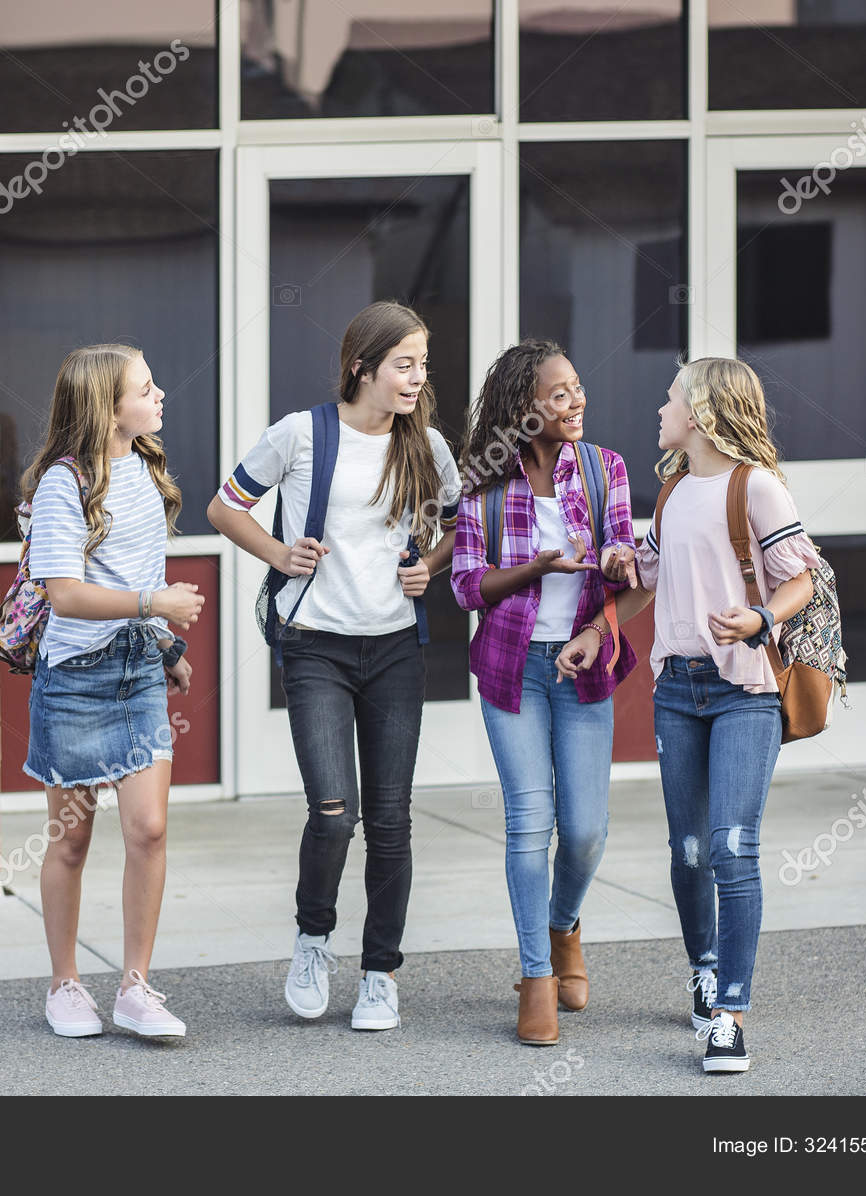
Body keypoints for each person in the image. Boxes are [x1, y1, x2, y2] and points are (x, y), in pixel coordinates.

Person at [207, 301, 461, 1031]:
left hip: (393, 651)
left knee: (390, 821)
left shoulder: (428, 447)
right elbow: (227, 509)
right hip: (315, 643)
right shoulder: (301, 434)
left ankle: (380, 972)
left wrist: (429, 568)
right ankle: (313, 939)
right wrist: (278, 552)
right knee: (333, 813)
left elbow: (455, 525)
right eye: (403, 363)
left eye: (422, 363)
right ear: (363, 366)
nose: (417, 377)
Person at [613, 356, 821, 1073]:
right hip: (676, 690)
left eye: (670, 399)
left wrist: (760, 617)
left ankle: (729, 1014)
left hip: (745, 690)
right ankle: (703, 967)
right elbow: (643, 575)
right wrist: (597, 601)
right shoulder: (671, 493)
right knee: (689, 850)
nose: (660, 410)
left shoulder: (755, 487)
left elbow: (803, 577)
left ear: (700, 414)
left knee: (732, 846)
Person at [450, 338, 640, 1046]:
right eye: (558, 395)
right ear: (523, 411)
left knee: (586, 830)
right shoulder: (483, 487)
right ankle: (536, 979)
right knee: (530, 822)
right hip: (514, 668)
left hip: (583, 664)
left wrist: (618, 560)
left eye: (577, 388)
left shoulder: (604, 469)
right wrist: (535, 567)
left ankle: (564, 928)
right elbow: (467, 584)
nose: (575, 402)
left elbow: (622, 558)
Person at [23, 343, 206, 1040]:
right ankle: (65, 983)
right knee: (71, 842)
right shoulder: (62, 484)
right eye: (146, 389)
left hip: (137, 670)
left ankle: (135, 984)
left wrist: (164, 648)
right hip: (74, 678)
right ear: (107, 406)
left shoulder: (147, 470)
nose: (160, 397)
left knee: (150, 829)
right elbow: (65, 595)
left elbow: (137, 566)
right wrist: (155, 604)